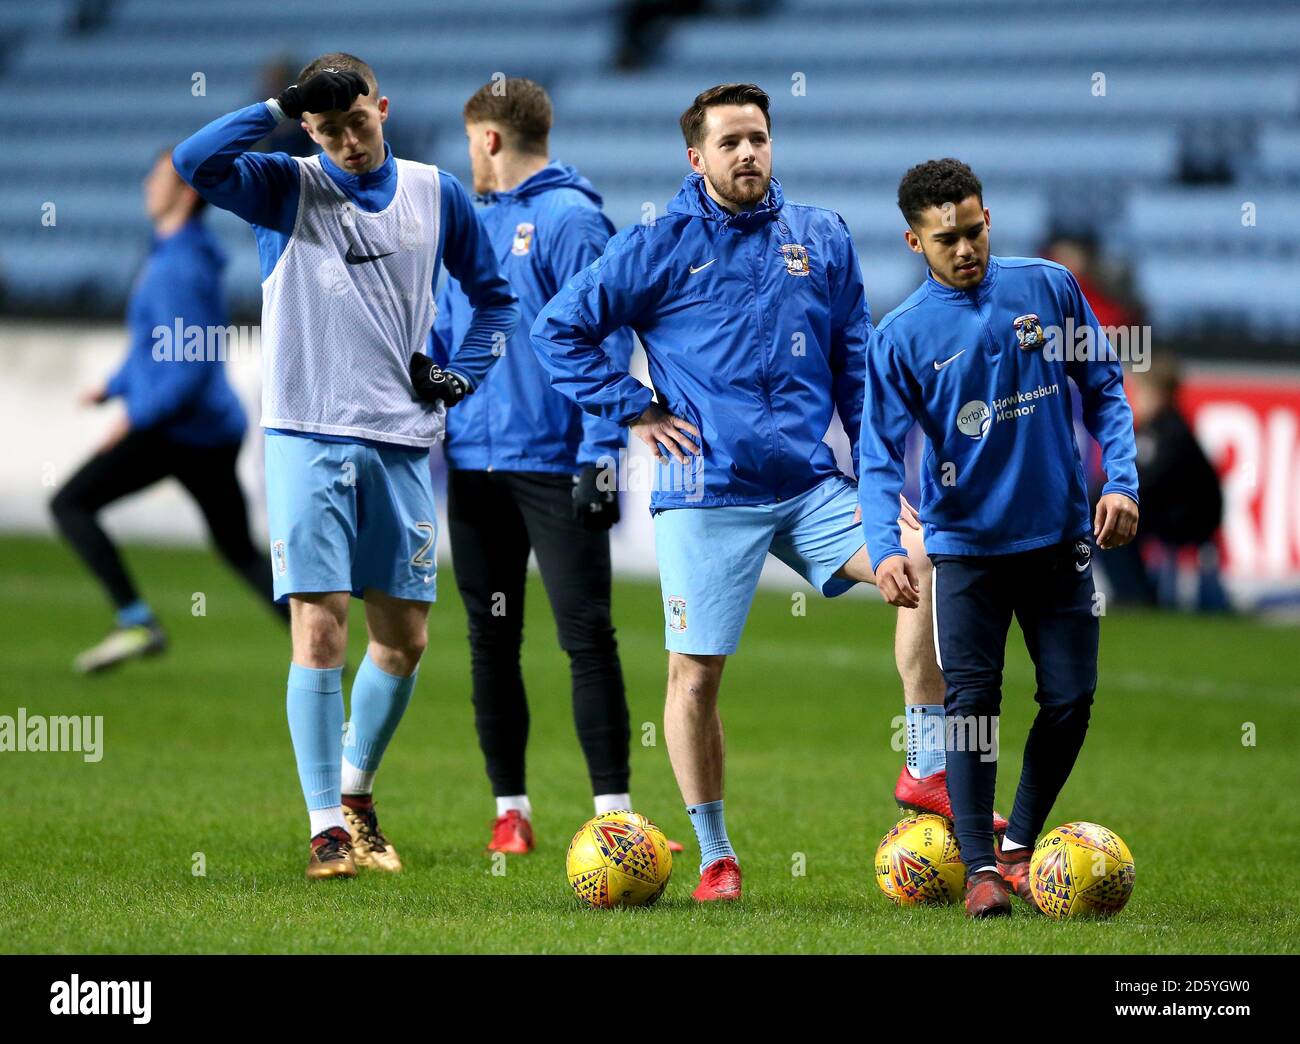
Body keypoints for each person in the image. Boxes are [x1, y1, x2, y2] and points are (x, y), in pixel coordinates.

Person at [532, 84, 980, 902]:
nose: (748, 153)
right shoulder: (657, 243)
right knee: (694, 678)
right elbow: (556, 330)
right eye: (730, 141)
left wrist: (883, 484)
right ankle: (714, 856)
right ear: (695, 157)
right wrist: (634, 408)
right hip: (706, 490)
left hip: (810, 484)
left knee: (922, 560)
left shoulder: (819, 236)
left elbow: (857, 368)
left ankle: (924, 771)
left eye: (759, 138)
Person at [173, 53, 519, 880]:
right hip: (306, 433)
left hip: (402, 440)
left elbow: (496, 300)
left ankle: (357, 796)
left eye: (357, 122)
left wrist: (465, 372)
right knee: (319, 626)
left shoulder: (438, 194)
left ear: (384, 107)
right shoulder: (285, 186)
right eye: (327, 129)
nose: (346, 142)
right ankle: (325, 827)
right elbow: (194, 163)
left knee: (403, 640)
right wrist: (278, 107)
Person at [857, 158, 1139, 917]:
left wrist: (1121, 481)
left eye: (975, 230)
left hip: (1057, 541)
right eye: (947, 237)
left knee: (1071, 702)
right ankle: (982, 869)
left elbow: (1105, 387)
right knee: (974, 704)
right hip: (966, 551)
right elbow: (878, 457)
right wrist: (885, 548)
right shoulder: (901, 338)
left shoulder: (1047, 286)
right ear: (915, 242)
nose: (966, 248)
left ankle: (1019, 844)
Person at [426, 77, 682, 854]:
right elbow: (445, 331)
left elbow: (608, 339)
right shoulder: (465, 224)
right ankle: (512, 811)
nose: (469, 156)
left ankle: (613, 816)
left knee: (585, 635)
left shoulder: (572, 220)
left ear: (491, 141)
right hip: (474, 461)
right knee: (490, 640)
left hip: (557, 461)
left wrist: (601, 454)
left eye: (472, 142)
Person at [51, 148, 285, 675]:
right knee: (237, 550)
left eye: (157, 177)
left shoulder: (178, 267)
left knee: (71, 504)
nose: (146, 185)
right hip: (205, 429)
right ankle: (317, 640)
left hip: (181, 427)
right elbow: (153, 348)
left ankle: (136, 620)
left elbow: (189, 367)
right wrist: (112, 388)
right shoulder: (172, 254)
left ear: (185, 193)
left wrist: (131, 419)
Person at [1104, 357, 1223, 608]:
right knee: (1111, 512)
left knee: (1113, 516)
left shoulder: (1171, 434)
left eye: (1140, 391)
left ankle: (1133, 595)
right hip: (1167, 512)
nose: (1134, 398)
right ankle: (1135, 590)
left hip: (1185, 519)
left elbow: (1153, 480)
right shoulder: (1153, 431)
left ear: (1158, 394)